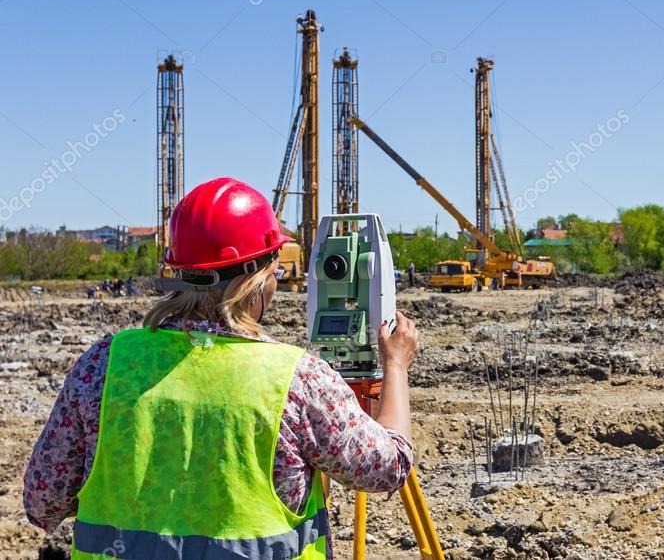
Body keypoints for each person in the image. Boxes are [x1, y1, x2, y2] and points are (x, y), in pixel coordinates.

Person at [23, 178, 420, 559]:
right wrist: (396, 366)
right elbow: (388, 468)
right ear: (258, 278)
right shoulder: (299, 382)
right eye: (275, 270)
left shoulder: (101, 366)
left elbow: (43, 503)